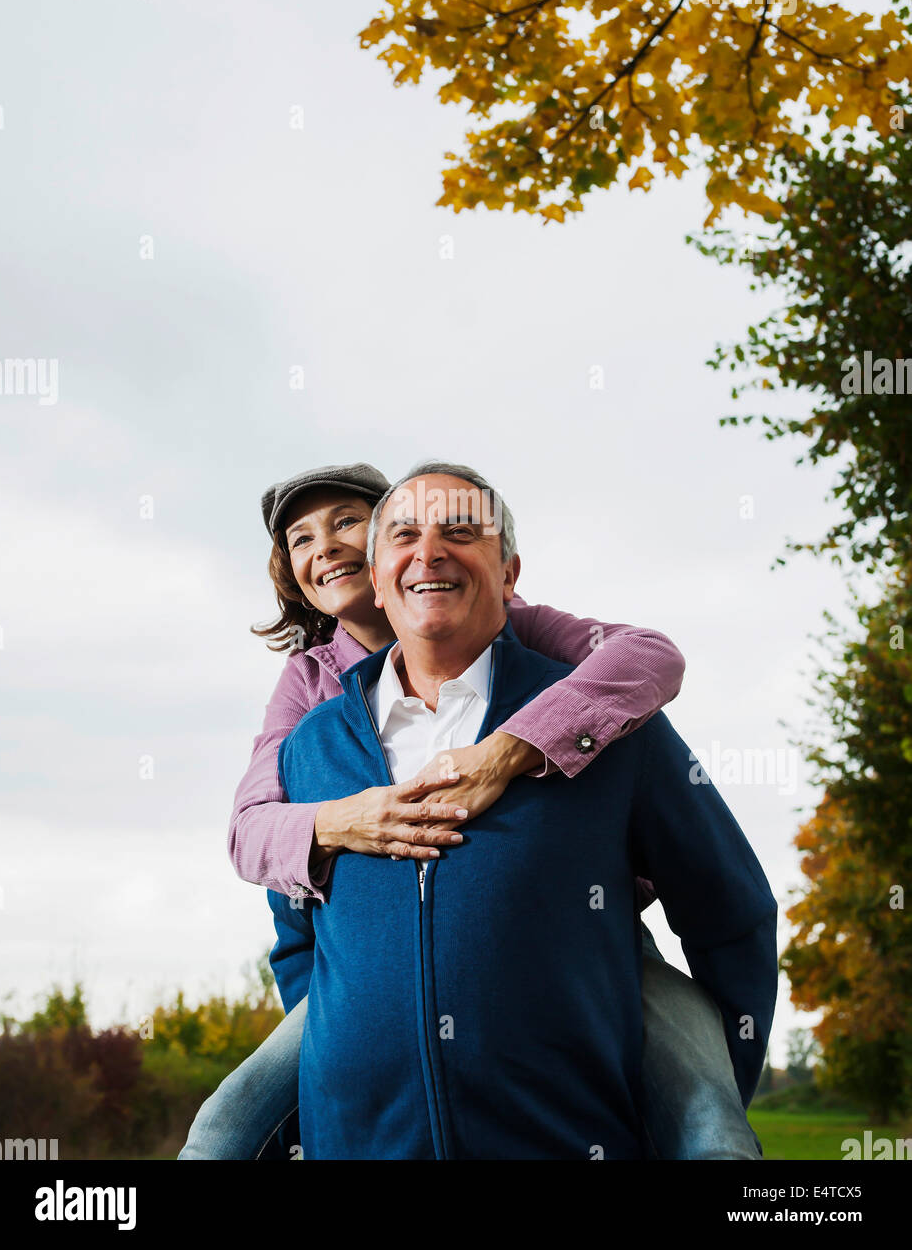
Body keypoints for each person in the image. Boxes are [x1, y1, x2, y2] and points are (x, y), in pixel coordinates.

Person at [180, 462, 773, 1159]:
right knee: (216, 1136)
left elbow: (650, 662)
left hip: (586, 1020)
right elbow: (271, 868)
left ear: (508, 571)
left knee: (711, 1132)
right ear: (378, 570)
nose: (426, 552)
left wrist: (510, 751)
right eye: (402, 535)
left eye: (345, 521)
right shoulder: (310, 710)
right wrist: (339, 826)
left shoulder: (584, 694)